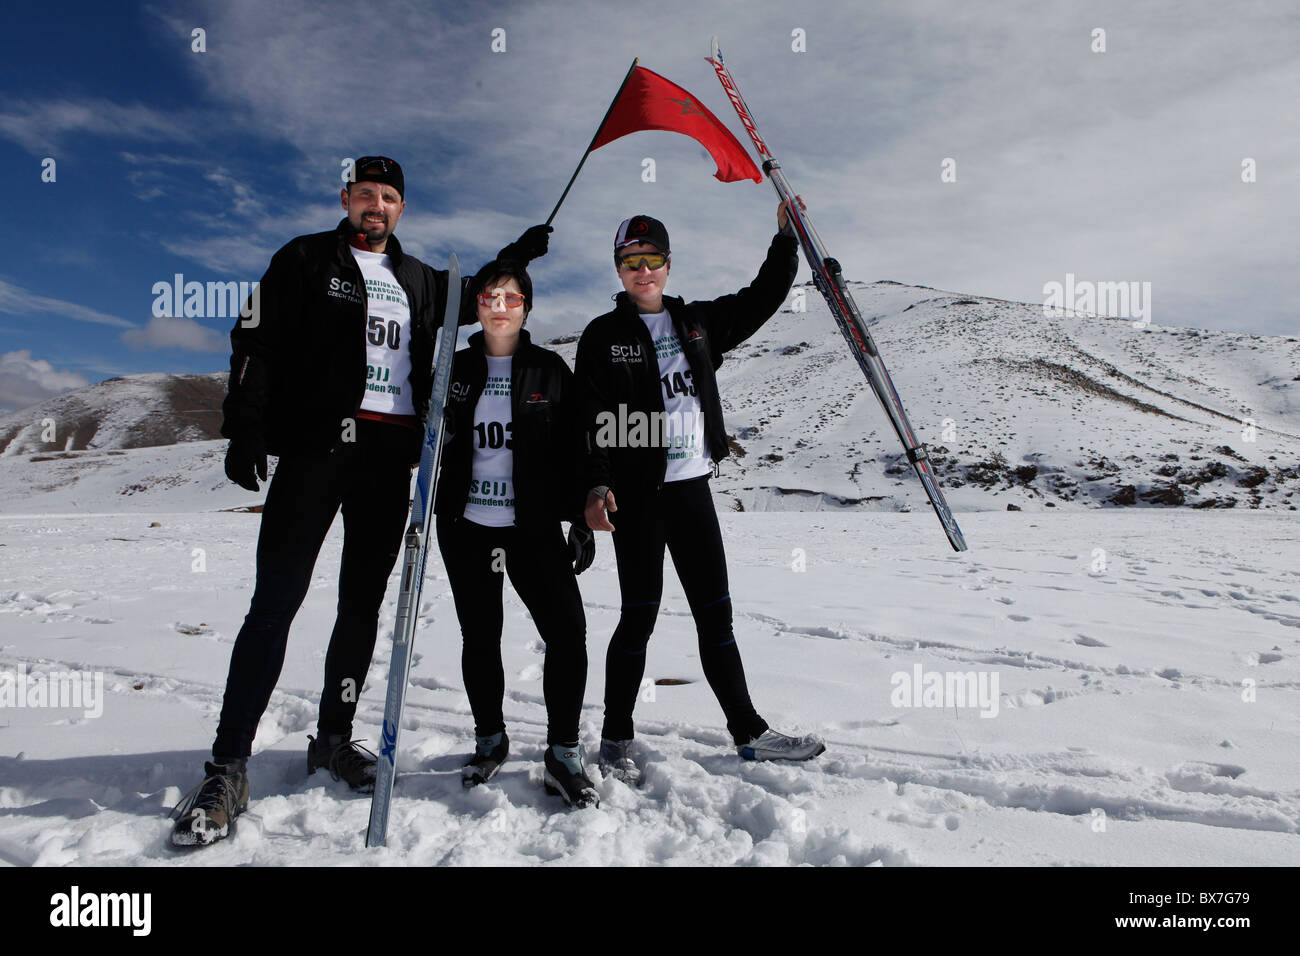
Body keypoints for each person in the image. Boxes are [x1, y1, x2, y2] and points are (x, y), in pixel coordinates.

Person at [171, 156, 552, 847]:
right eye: (366, 194)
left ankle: (335, 738)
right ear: (346, 198)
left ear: (401, 208)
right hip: (317, 449)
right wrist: (246, 424)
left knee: (361, 604)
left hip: (386, 457)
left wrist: (519, 254)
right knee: (276, 600)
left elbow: (475, 295)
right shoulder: (304, 259)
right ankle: (228, 764)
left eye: (390, 197)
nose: (377, 206)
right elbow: (254, 339)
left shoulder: (417, 280)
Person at [574, 203, 825, 786]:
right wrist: (593, 487)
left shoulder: (697, 323)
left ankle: (748, 732)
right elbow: (586, 419)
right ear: (618, 269)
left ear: (667, 263)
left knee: (717, 616)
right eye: (631, 262)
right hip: (636, 500)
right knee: (637, 618)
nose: (643, 271)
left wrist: (785, 240)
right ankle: (615, 737)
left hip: (692, 494)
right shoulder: (603, 336)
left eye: (652, 259)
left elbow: (761, 298)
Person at [433, 259, 597, 808]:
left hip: (531, 528)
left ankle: (563, 752)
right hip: (467, 527)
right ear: (475, 307)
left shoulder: (550, 370)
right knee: (480, 637)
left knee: (568, 635)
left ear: (526, 307)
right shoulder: (450, 369)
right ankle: (490, 739)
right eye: (488, 298)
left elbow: (580, 448)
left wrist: (581, 514)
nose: (499, 307)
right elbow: (426, 438)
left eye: (511, 298)